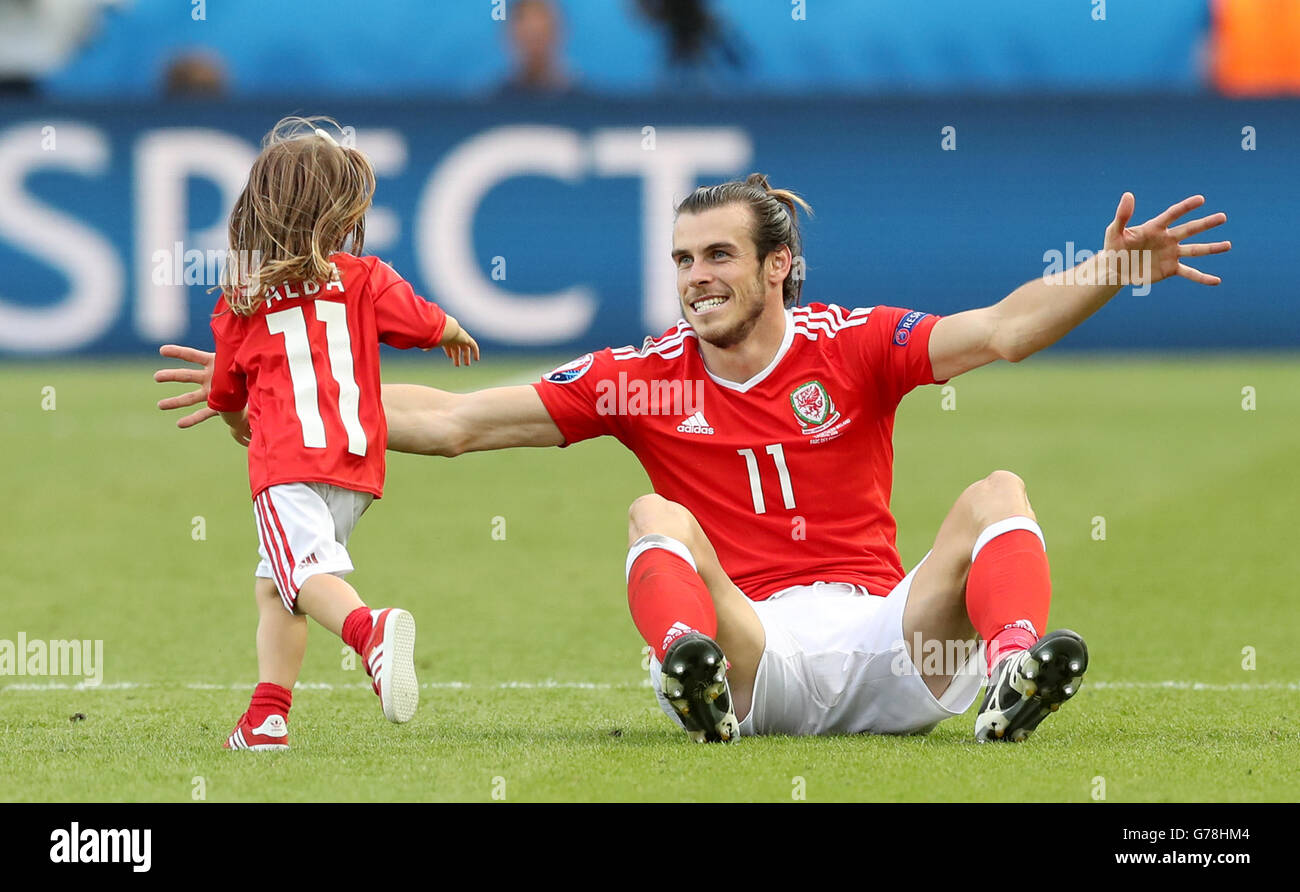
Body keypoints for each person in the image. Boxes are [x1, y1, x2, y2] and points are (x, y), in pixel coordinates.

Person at [158, 173, 1228, 744]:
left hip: (896, 647)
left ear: (778, 266)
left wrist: (1106, 270)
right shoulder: (647, 378)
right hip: (753, 649)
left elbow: (1000, 330)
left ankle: (1010, 673)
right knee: (654, 517)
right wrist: (291, 397)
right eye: (682, 259)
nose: (695, 276)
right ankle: (692, 671)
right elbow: (460, 420)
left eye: (718, 255)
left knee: (996, 492)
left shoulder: (854, 345)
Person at [201, 116, 479, 750]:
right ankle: (267, 718)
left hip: (286, 468)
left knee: (300, 579)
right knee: (277, 586)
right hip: (356, 471)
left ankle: (367, 631)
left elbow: (226, 395)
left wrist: (238, 425)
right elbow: (423, 322)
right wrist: (453, 331)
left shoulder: (244, 297)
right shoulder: (364, 277)